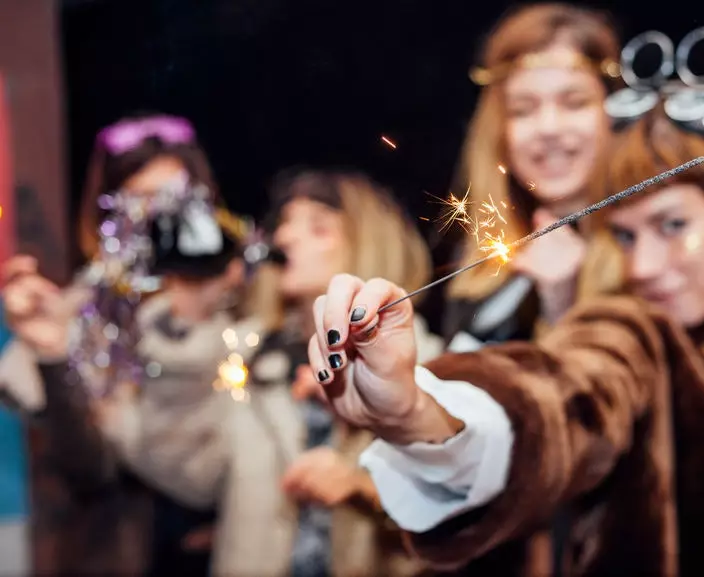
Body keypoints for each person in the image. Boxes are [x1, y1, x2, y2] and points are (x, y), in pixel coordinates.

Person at [303, 82, 704, 576]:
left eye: (672, 224)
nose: (642, 264)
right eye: (624, 236)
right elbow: (556, 400)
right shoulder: (639, 343)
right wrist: (416, 415)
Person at [0, 113, 225, 575]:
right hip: (124, 548)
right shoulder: (89, 313)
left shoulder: (244, 300)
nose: (156, 219)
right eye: (139, 201)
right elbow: (88, 471)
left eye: (175, 199)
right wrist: (49, 353)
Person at [252, 168, 444, 577]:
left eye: (318, 229)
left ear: (368, 245)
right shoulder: (252, 364)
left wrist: (363, 489)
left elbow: (458, 508)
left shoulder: (427, 367)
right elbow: (190, 475)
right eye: (284, 225)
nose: (284, 239)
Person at [443, 2, 621, 351]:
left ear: (615, 111)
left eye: (574, 102)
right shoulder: (482, 270)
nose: (549, 128)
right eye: (523, 110)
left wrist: (565, 310)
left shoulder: (655, 260)